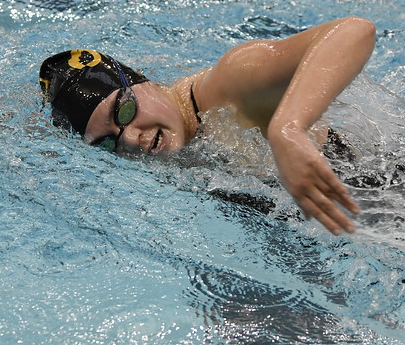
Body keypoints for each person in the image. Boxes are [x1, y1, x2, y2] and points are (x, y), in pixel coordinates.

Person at [38, 16, 384, 236]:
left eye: (124, 110)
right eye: (107, 142)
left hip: (386, 187)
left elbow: (354, 31)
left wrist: (288, 129)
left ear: (143, 80)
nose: (130, 138)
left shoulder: (232, 83)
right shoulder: (174, 149)